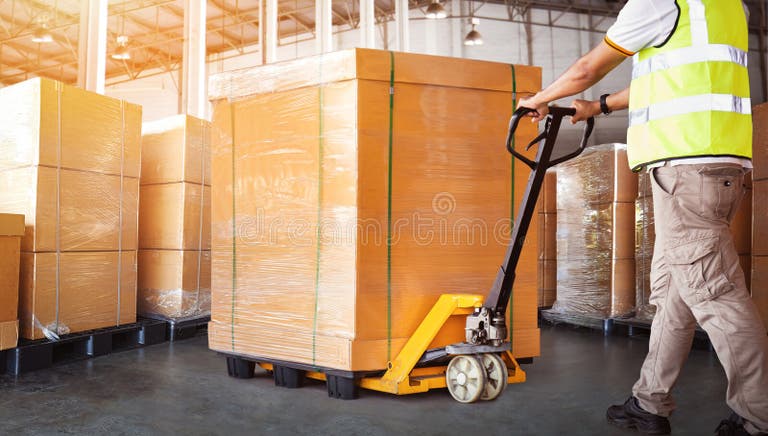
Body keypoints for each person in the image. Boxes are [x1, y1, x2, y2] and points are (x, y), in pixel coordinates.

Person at [518, 1, 768, 435]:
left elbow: (587, 67)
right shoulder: (729, 7)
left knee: (716, 295)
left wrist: (538, 101)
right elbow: (669, 82)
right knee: (675, 290)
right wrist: (597, 108)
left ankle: (759, 415)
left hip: (687, 169)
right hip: (715, 167)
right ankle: (649, 403)